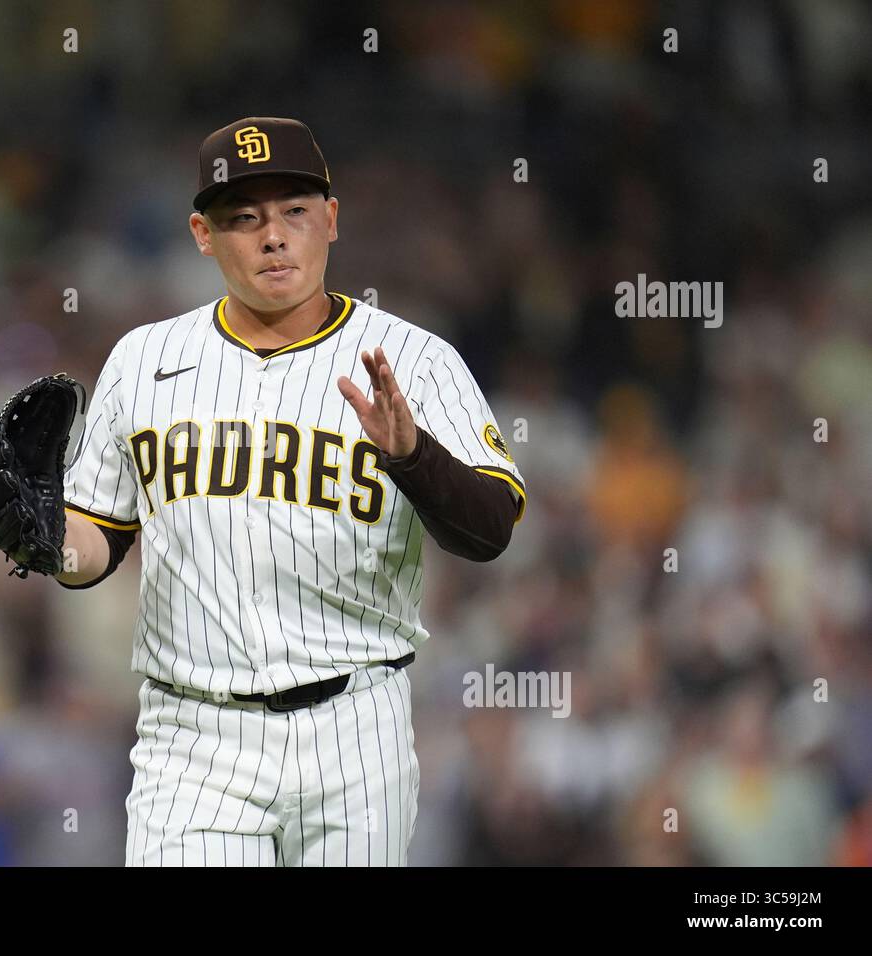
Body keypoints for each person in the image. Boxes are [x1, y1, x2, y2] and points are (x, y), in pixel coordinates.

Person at [36, 117, 523, 865]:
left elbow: (490, 531)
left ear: (330, 218)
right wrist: (40, 540)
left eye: (294, 211)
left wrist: (413, 456)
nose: (273, 237)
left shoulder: (417, 362)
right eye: (244, 218)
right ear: (203, 233)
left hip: (356, 727)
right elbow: (96, 543)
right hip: (193, 736)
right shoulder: (143, 360)